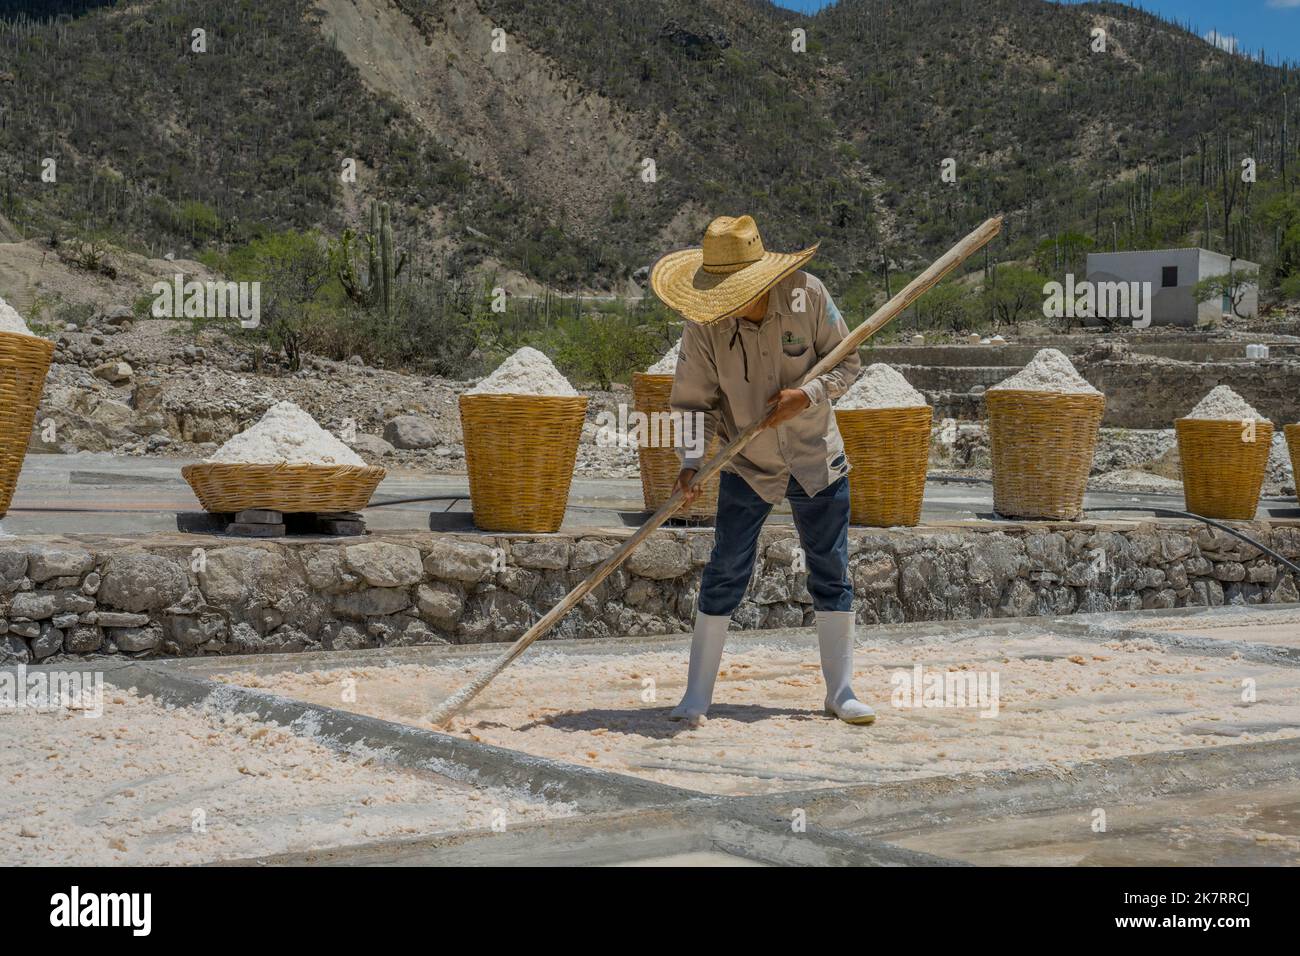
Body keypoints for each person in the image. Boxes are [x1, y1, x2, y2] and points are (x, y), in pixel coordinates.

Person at [649, 214, 874, 726]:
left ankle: (840, 692)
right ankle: (697, 696)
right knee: (727, 566)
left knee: (831, 570)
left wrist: (807, 395)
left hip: (816, 456)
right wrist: (690, 462)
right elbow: (691, 403)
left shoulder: (808, 295)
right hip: (747, 462)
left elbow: (848, 362)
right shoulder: (705, 325)